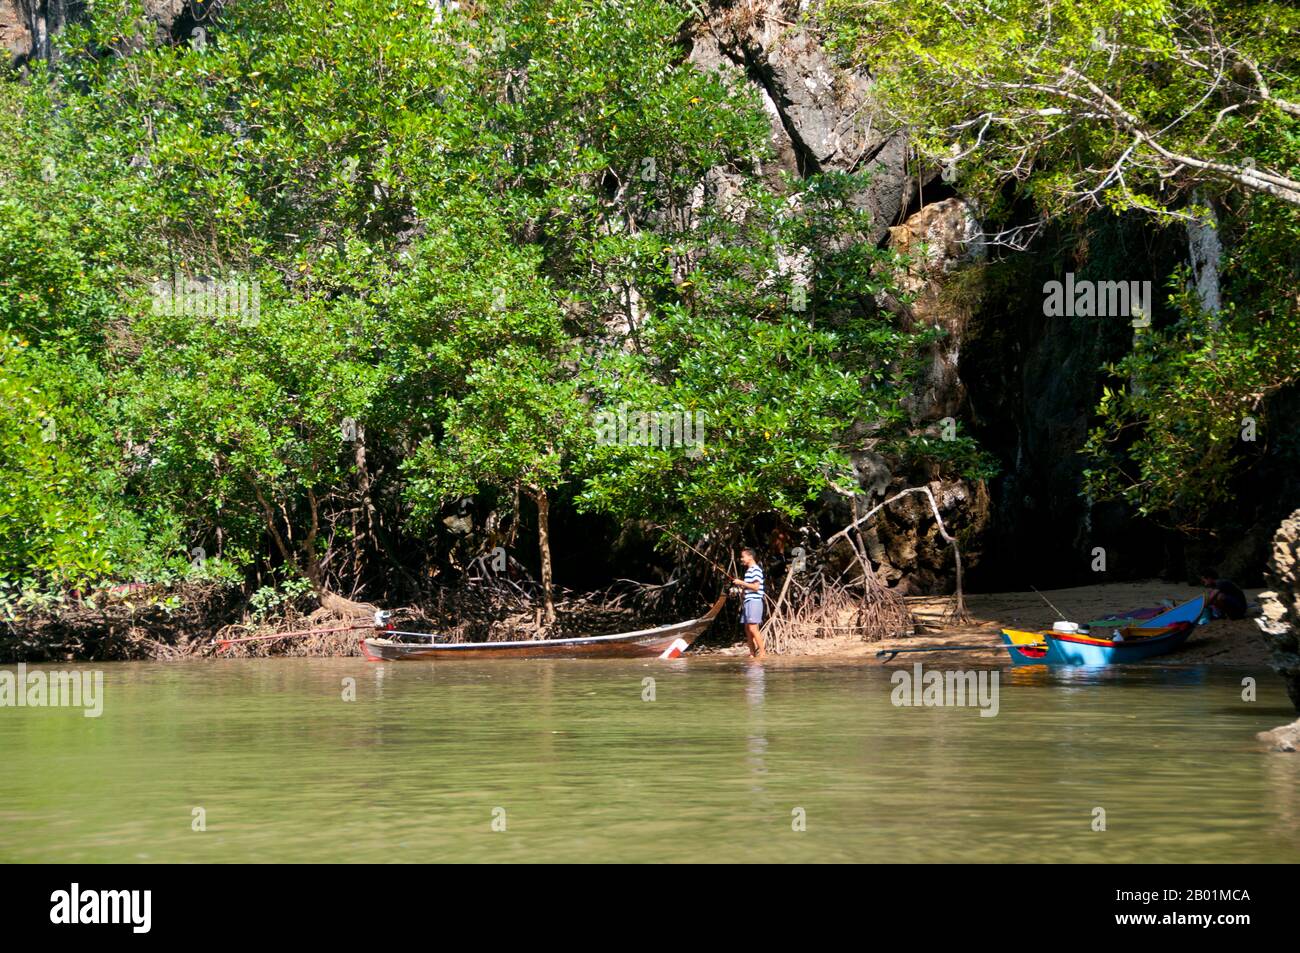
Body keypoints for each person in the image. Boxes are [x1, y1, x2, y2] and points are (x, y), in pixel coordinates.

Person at [733, 547, 767, 659]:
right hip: (748, 601)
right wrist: (742, 589)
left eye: (743, 557)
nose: (741, 559)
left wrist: (741, 582)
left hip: (754, 601)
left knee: (753, 628)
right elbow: (750, 587)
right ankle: (752, 653)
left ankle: (762, 653)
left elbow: (756, 587)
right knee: (747, 629)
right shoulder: (749, 571)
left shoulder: (755, 569)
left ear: (750, 557)